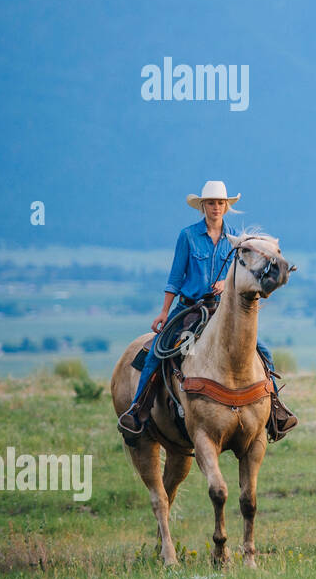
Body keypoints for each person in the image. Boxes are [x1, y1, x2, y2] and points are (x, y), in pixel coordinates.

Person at [116, 180, 297, 443]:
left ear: (226, 206)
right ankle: (137, 409)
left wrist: (225, 281)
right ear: (203, 206)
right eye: (211, 203)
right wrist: (164, 311)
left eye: (220, 203)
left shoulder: (238, 240)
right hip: (188, 308)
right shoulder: (188, 236)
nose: (216, 207)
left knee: (264, 352)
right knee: (156, 350)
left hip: (223, 311)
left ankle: (276, 410)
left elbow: (244, 271)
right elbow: (175, 278)